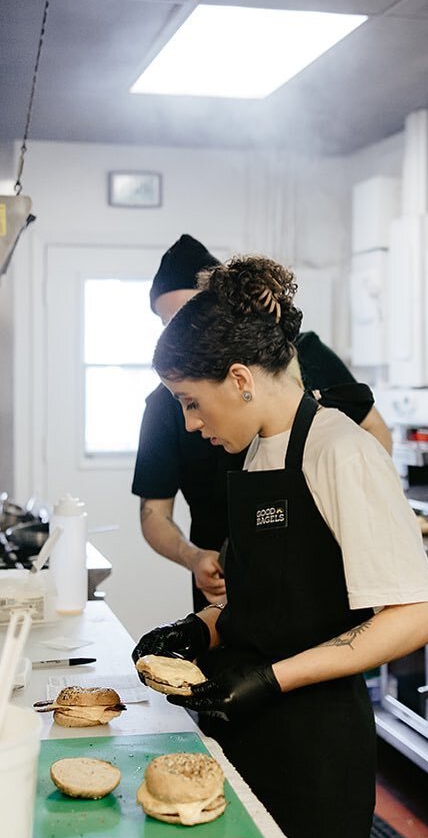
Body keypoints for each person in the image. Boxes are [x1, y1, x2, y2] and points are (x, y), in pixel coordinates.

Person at [131, 254, 428, 838]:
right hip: (245, 722)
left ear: (241, 379)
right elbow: (258, 597)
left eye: (192, 402)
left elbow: (416, 616)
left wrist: (271, 679)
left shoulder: (340, 451)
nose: (190, 424)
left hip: (316, 742)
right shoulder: (250, 454)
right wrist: (196, 630)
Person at [133, 233, 393, 610]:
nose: (179, 332)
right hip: (226, 582)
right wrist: (194, 558)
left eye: (188, 316)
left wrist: (359, 509)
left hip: (315, 584)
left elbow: (373, 430)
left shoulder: (306, 368)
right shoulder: (164, 406)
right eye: (167, 322)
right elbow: (153, 512)